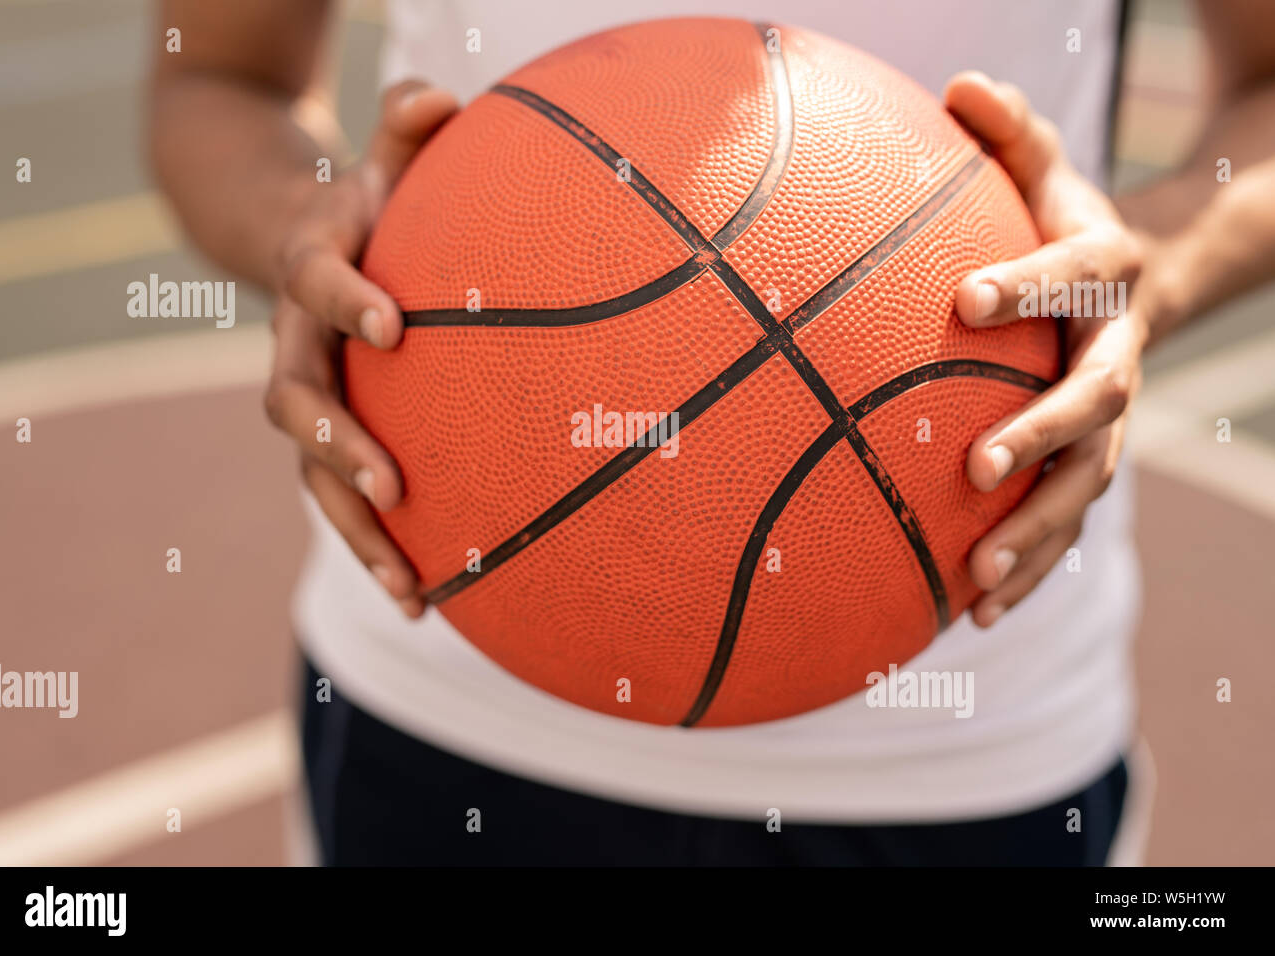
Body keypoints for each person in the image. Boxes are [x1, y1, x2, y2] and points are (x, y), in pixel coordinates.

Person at [149, 0, 1275, 865]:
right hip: (443, 696)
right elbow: (215, 75)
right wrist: (302, 228)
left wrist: (1140, 276)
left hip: (967, 744)